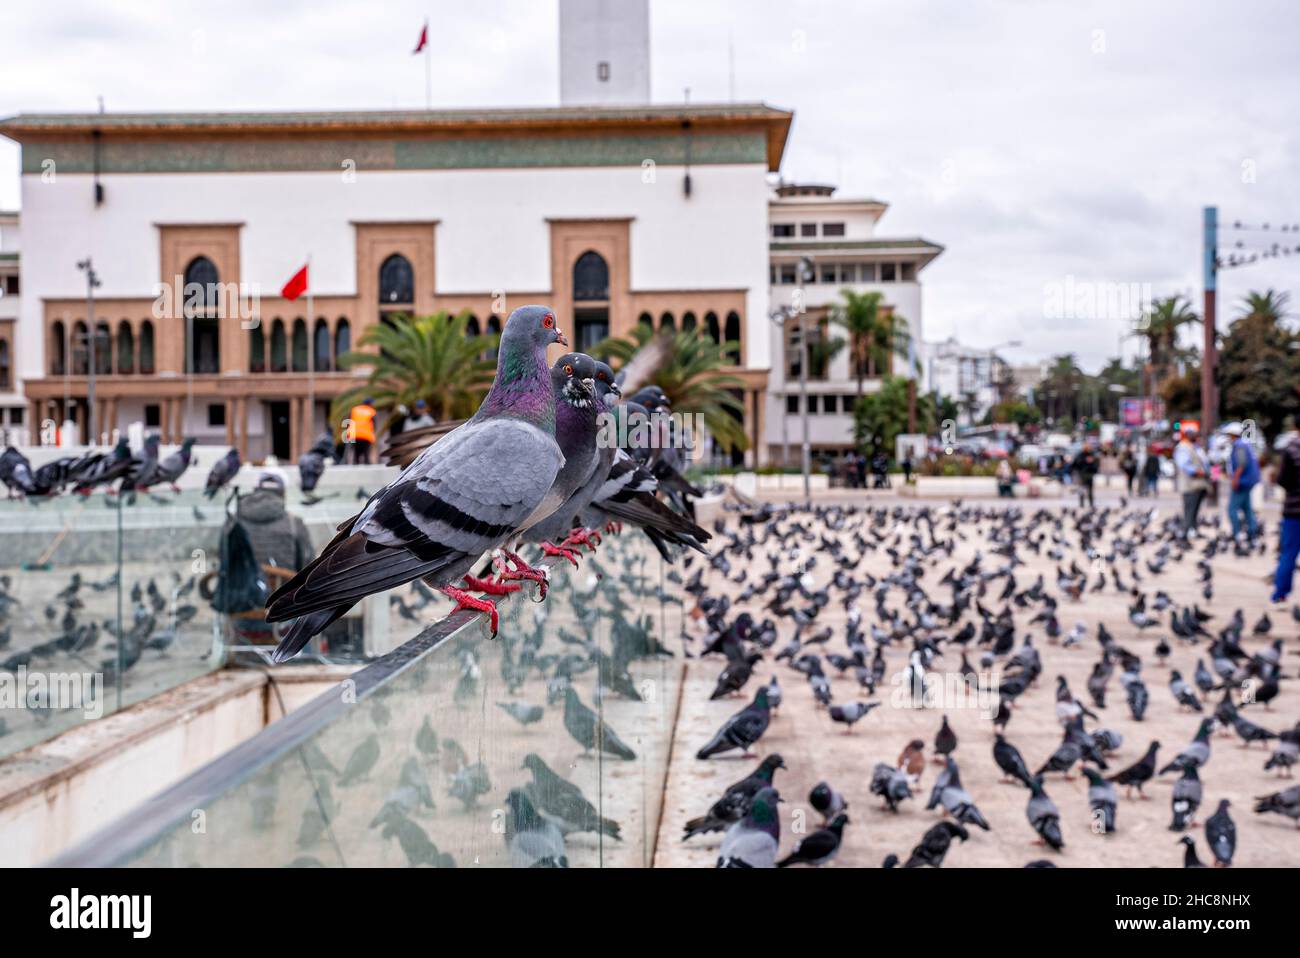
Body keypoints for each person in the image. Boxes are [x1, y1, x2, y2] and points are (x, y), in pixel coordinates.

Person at [1272, 430, 1300, 604]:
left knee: (1288, 553)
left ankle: (1281, 594)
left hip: (1294, 510)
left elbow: (1283, 479)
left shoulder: (1292, 448)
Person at [1224, 422, 1260, 542]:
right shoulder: (1246, 444)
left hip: (1243, 482)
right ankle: (1252, 531)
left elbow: (1241, 464)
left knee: (1232, 509)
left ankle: (1237, 532)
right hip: (1249, 481)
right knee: (1247, 508)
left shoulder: (1239, 446)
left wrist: (1235, 479)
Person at [1173, 426, 1209, 539]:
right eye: (1194, 433)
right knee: (1189, 510)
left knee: (1195, 510)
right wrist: (1198, 472)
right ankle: (1185, 532)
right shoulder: (1183, 447)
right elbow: (1184, 465)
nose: (1196, 436)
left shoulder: (1195, 447)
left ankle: (1193, 530)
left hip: (1198, 484)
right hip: (1189, 485)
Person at [348, 397, 377, 464]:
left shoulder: (354, 410)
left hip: (354, 435)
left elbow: (348, 421)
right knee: (366, 453)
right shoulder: (371, 411)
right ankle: (367, 465)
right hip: (366, 436)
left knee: (356, 453)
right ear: (369, 404)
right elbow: (374, 424)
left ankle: (355, 464)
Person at [1072, 443, 1100, 508]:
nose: (1088, 449)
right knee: (1082, 489)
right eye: (1087, 448)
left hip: (1090, 474)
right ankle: (1081, 503)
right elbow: (1075, 464)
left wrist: (1094, 469)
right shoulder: (1080, 455)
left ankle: (1091, 503)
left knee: (1090, 490)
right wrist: (1085, 461)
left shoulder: (1092, 455)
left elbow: (1096, 464)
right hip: (1082, 474)